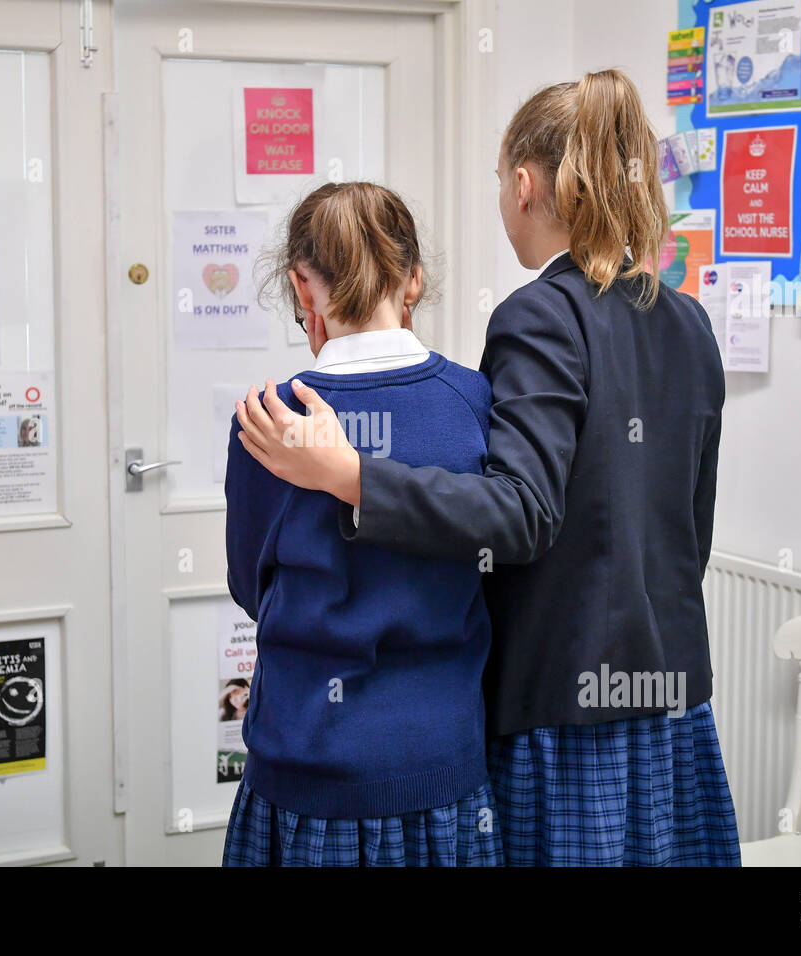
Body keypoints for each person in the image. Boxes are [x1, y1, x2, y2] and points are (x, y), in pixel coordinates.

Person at [235, 70, 740, 866]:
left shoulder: (538, 314)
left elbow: (520, 513)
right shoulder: (689, 321)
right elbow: (693, 527)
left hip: (562, 702)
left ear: (526, 183)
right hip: (673, 696)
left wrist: (351, 475)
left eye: (501, 180)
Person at [222, 181, 502, 867]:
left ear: (301, 286)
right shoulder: (471, 399)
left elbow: (250, 586)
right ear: (414, 279)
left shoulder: (268, 419)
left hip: (306, 758)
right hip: (441, 757)